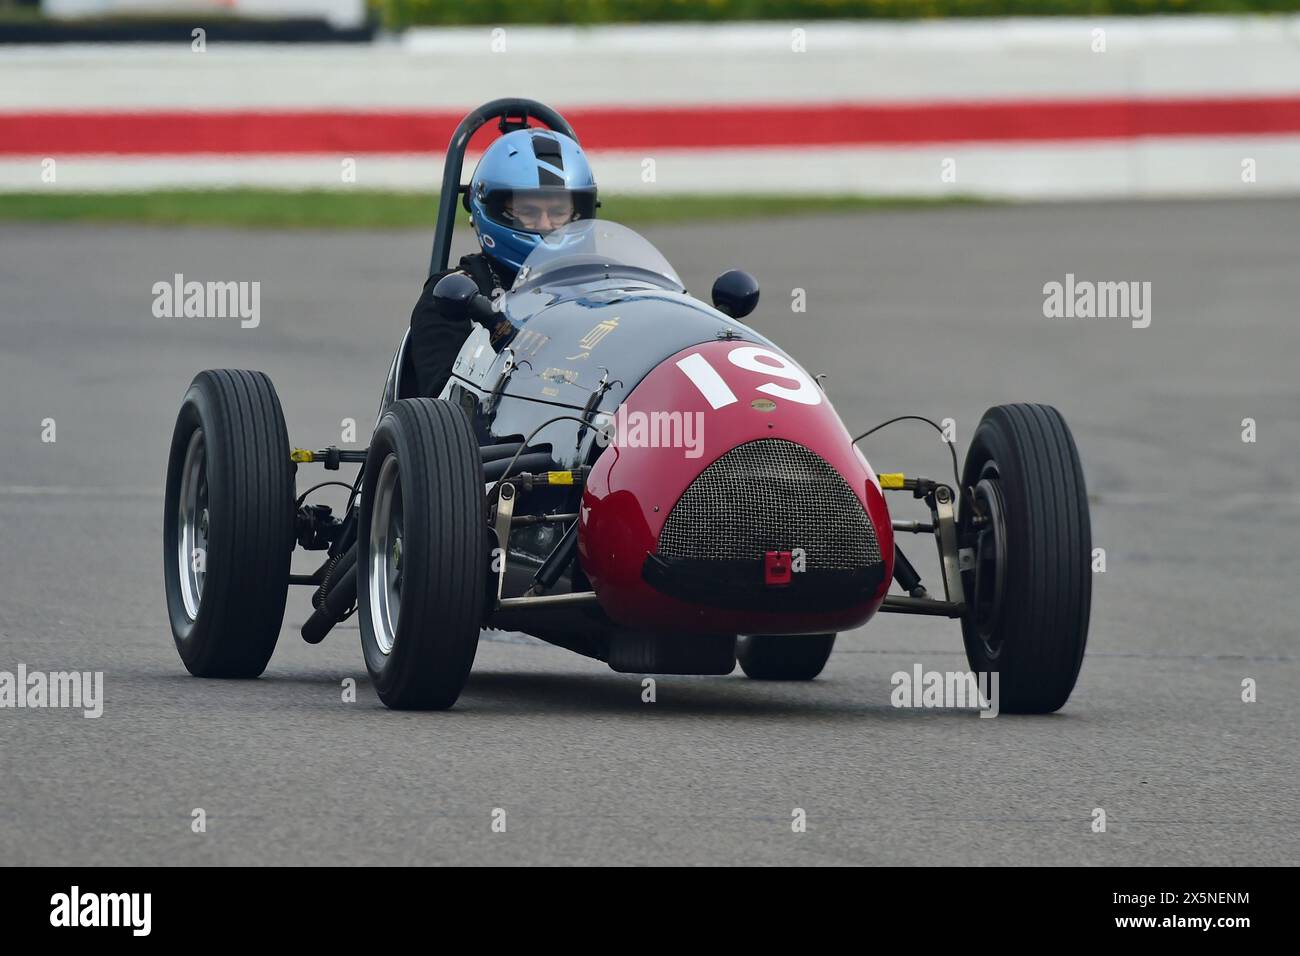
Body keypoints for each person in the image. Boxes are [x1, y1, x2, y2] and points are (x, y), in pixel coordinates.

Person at [408, 128, 598, 397]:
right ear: (491, 208)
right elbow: (443, 412)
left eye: (559, 213)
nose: (546, 225)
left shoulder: (599, 289)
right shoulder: (451, 297)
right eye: (528, 212)